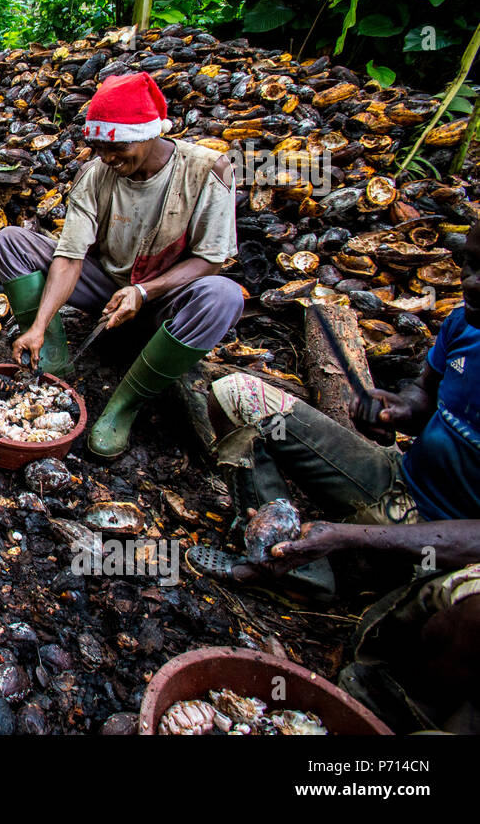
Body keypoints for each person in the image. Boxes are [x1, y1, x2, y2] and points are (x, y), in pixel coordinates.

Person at [186, 230, 480, 730]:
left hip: (456, 550)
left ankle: (394, 701)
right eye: (470, 263)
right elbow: (426, 398)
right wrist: (397, 409)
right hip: (397, 484)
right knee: (238, 396)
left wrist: (347, 537)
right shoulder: (468, 323)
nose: (471, 283)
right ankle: (287, 563)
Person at [0, 71, 243, 459]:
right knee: (10, 241)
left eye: (118, 148)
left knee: (223, 296)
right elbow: (70, 255)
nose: (108, 159)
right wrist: (38, 324)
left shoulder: (207, 170)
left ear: (149, 133)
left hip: (164, 300)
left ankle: (123, 406)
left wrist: (144, 292)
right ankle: (53, 353)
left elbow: (211, 260)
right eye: (98, 148)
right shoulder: (96, 174)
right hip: (105, 289)